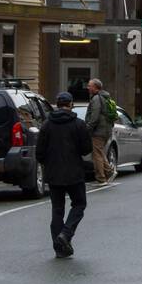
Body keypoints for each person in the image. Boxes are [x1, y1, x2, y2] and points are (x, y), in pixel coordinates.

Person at [36, 92, 93, 258]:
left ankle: (59, 247)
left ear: (57, 104)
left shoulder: (47, 125)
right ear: (71, 104)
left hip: (54, 174)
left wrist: (48, 162)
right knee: (79, 204)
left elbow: (39, 152)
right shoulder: (78, 124)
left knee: (57, 209)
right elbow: (86, 149)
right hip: (74, 172)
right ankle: (66, 234)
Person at [85, 77, 116, 184]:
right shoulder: (104, 97)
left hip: (98, 131)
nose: (88, 87)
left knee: (96, 154)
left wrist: (88, 129)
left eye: (89, 85)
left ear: (96, 87)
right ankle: (108, 172)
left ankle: (102, 177)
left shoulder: (96, 99)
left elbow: (94, 117)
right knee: (99, 152)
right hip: (105, 130)